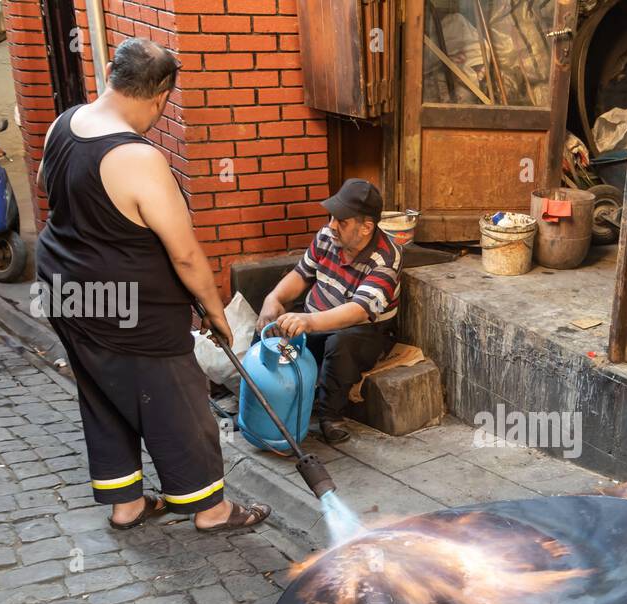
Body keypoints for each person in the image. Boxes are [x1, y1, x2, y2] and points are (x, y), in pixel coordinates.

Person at [34, 37, 270, 532]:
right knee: (175, 400)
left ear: (113, 78)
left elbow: (45, 184)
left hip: (61, 289)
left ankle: (128, 505)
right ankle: (210, 510)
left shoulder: (66, 122)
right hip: (129, 307)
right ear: (161, 95)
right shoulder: (136, 156)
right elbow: (184, 254)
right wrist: (214, 312)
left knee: (102, 392)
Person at [260, 179, 402, 444]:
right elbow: (301, 274)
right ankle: (260, 403)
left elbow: (359, 311)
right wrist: (274, 299)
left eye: (342, 221)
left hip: (362, 331)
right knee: (272, 326)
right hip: (317, 318)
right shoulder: (328, 236)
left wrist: (309, 321)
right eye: (332, 218)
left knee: (340, 343)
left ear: (366, 228)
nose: (331, 226)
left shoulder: (386, 259)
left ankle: (330, 415)